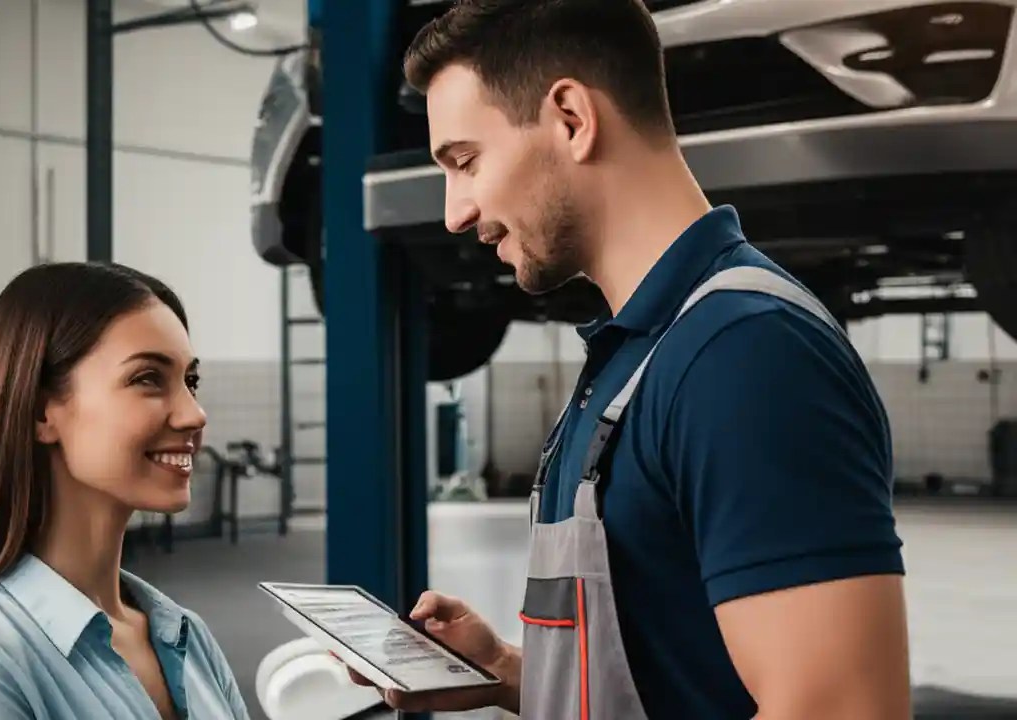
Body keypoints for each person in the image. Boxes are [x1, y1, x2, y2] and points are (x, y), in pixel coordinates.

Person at [344, 1, 912, 718]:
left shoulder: (746, 355)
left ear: (572, 119)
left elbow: (840, 709)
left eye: (464, 161)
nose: (455, 211)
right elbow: (674, 677)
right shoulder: (638, 355)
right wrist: (507, 672)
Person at [0, 262, 250, 720]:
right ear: (43, 412)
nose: (194, 414)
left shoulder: (187, 637)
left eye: (190, 381)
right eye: (147, 379)